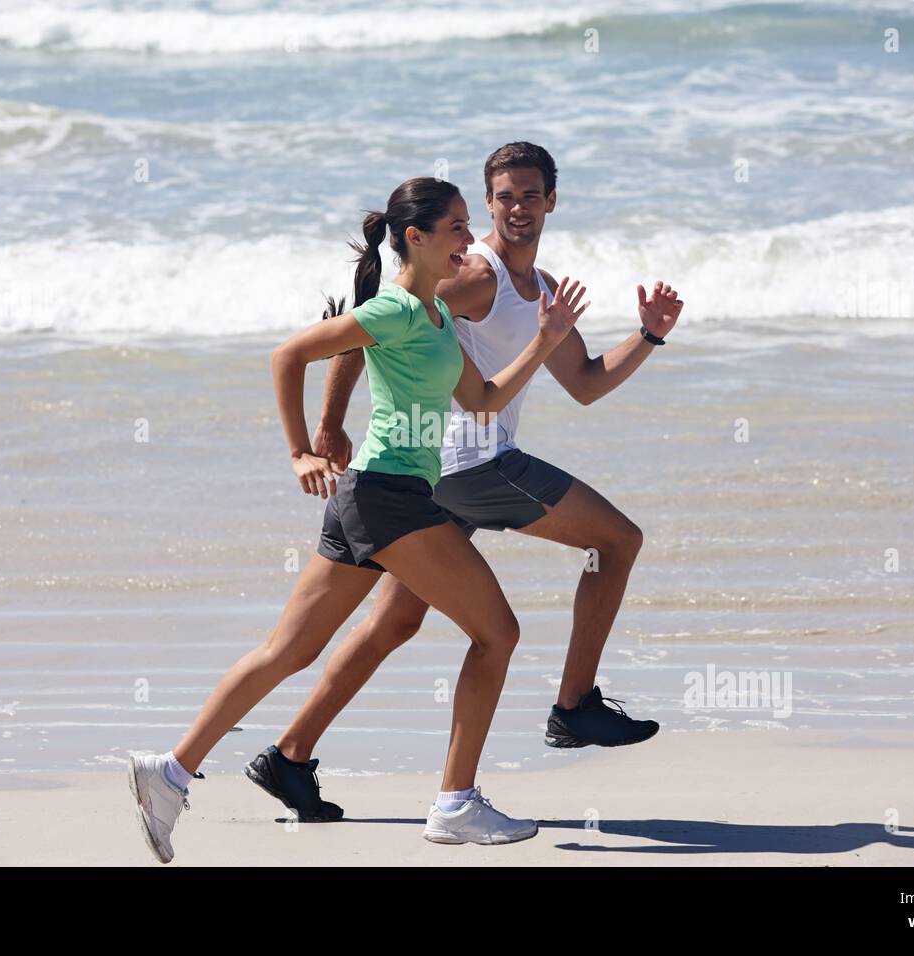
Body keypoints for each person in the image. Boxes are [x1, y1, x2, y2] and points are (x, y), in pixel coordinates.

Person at [127, 175, 589, 861]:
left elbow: (486, 399)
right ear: (417, 238)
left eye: (468, 224)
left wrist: (547, 340)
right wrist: (300, 452)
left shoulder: (436, 318)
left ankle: (167, 772)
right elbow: (289, 354)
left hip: (374, 497)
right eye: (459, 226)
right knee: (498, 633)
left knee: (289, 650)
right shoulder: (396, 312)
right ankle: (456, 803)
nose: (470, 238)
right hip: (388, 498)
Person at [250, 142, 683, 822]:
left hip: (431, 479)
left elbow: (587, 383)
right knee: (617, 541)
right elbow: (374, 322)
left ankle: (290, 756)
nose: (518, 208)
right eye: (505, 196)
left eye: (530, 195)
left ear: (551, 202)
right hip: (470, 464)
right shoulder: (475, 276)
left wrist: (649, 337)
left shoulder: (534, 289)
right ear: (487, 203)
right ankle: (575, 706)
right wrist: (329, 426)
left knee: (394, 621)